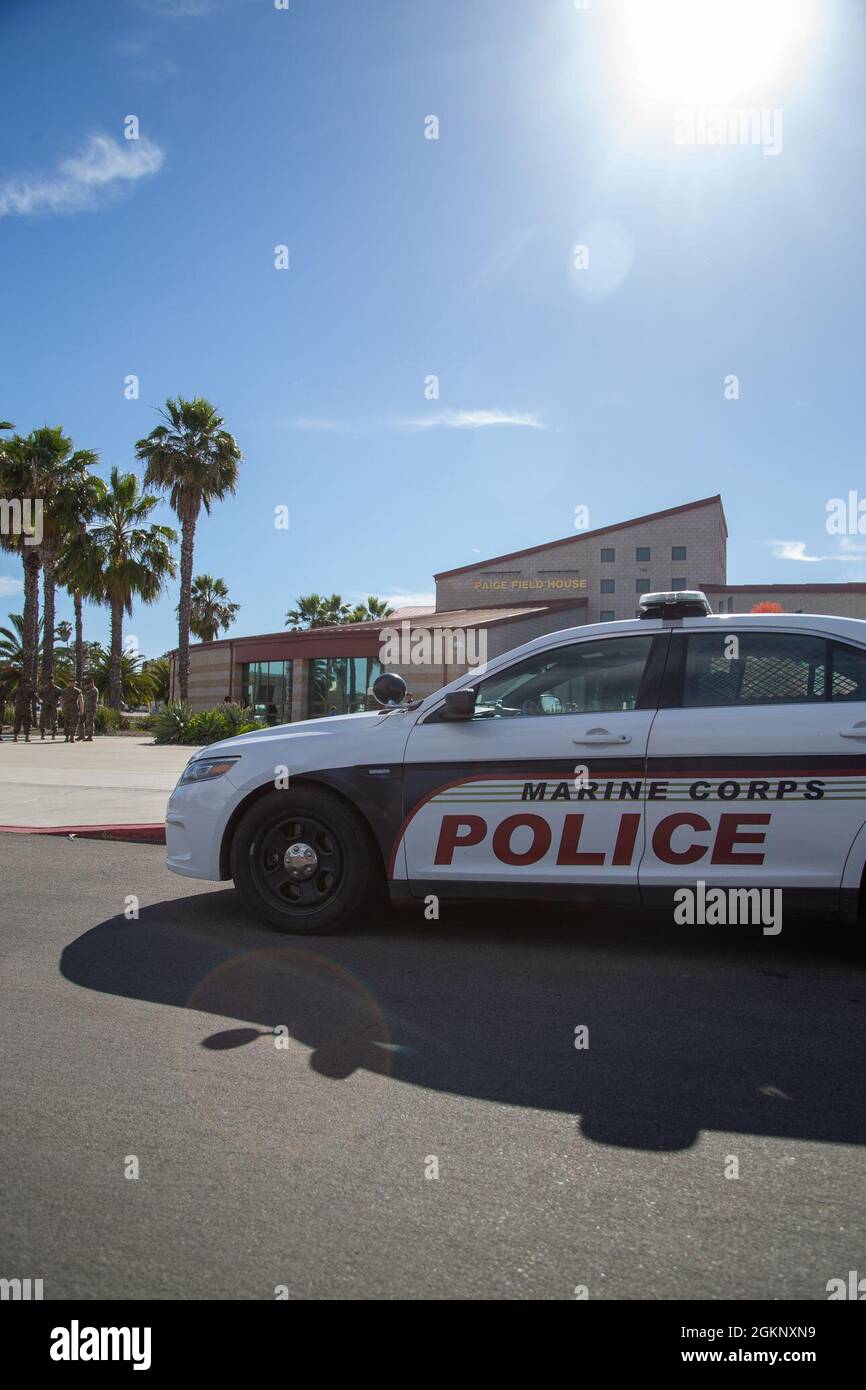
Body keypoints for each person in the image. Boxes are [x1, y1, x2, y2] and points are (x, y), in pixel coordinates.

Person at [12, 676, 35, 742]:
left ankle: (16, 737)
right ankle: (26, 737)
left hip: (19, 709)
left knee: (17, 723)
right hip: (26, 709)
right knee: (26, 723)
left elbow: (10, 698)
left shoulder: (16, 690)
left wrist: (14, 704)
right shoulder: (29, 690)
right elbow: (36, 699)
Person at [77, 675, 99, 742]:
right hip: (85, 708)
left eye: (88, 684)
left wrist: (85, 689)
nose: (87, 685)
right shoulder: (89, 689)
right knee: (81, 722)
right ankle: (81, 735)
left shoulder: (94, 690)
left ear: (92, 683)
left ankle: (90, 736)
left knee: (89, 722)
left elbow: (86, 695)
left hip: (91, 709)